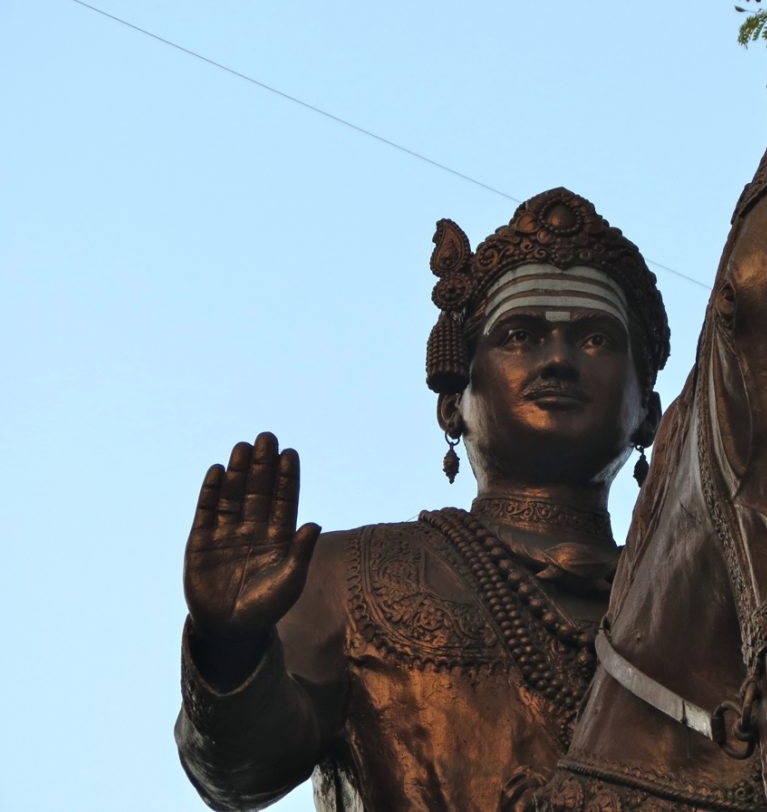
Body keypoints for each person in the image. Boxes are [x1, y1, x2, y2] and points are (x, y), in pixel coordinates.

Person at [174, 187, 670, 811]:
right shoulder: (342, 578)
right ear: (452, 401)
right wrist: (230, 646)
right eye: (519, 335)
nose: (558, 361)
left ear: (648, 413)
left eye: (596, 339)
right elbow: (240, 774)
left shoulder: (699, 606)